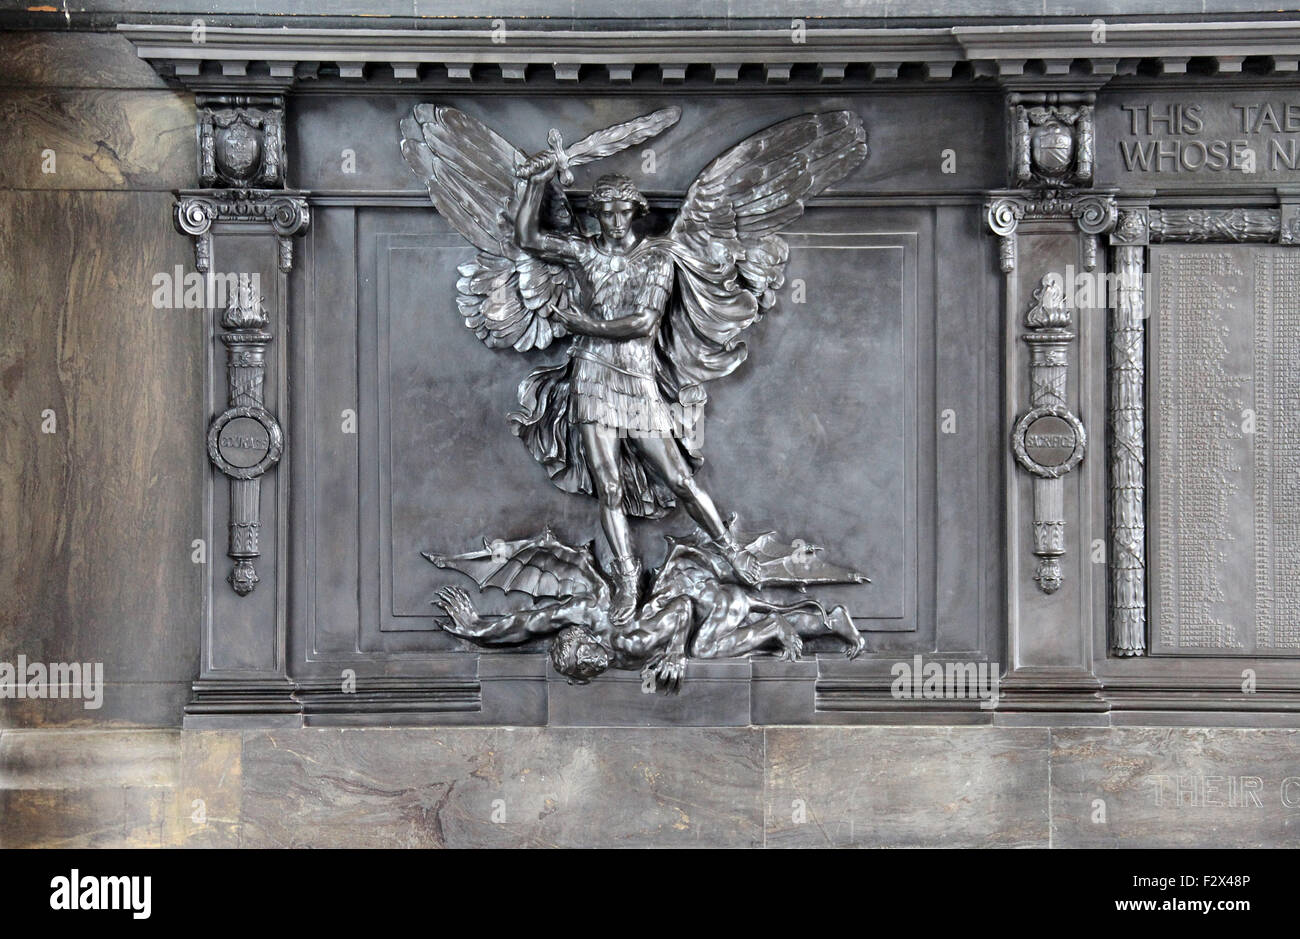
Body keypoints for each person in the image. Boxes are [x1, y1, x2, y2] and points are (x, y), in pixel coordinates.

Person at [511, 157, 760, 626]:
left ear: (635, 212)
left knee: (680, 478)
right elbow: (527, 238)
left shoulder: (658, 258)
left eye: (622, 211)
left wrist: (583, 323)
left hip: (636, 378)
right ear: (597, 214)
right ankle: (627, 581)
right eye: (605, 211)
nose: (614, 220)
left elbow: (644, 323)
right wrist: (535, 182)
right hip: (591, 378)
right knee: (609, 485)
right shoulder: (584, 254)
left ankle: (732, 553)